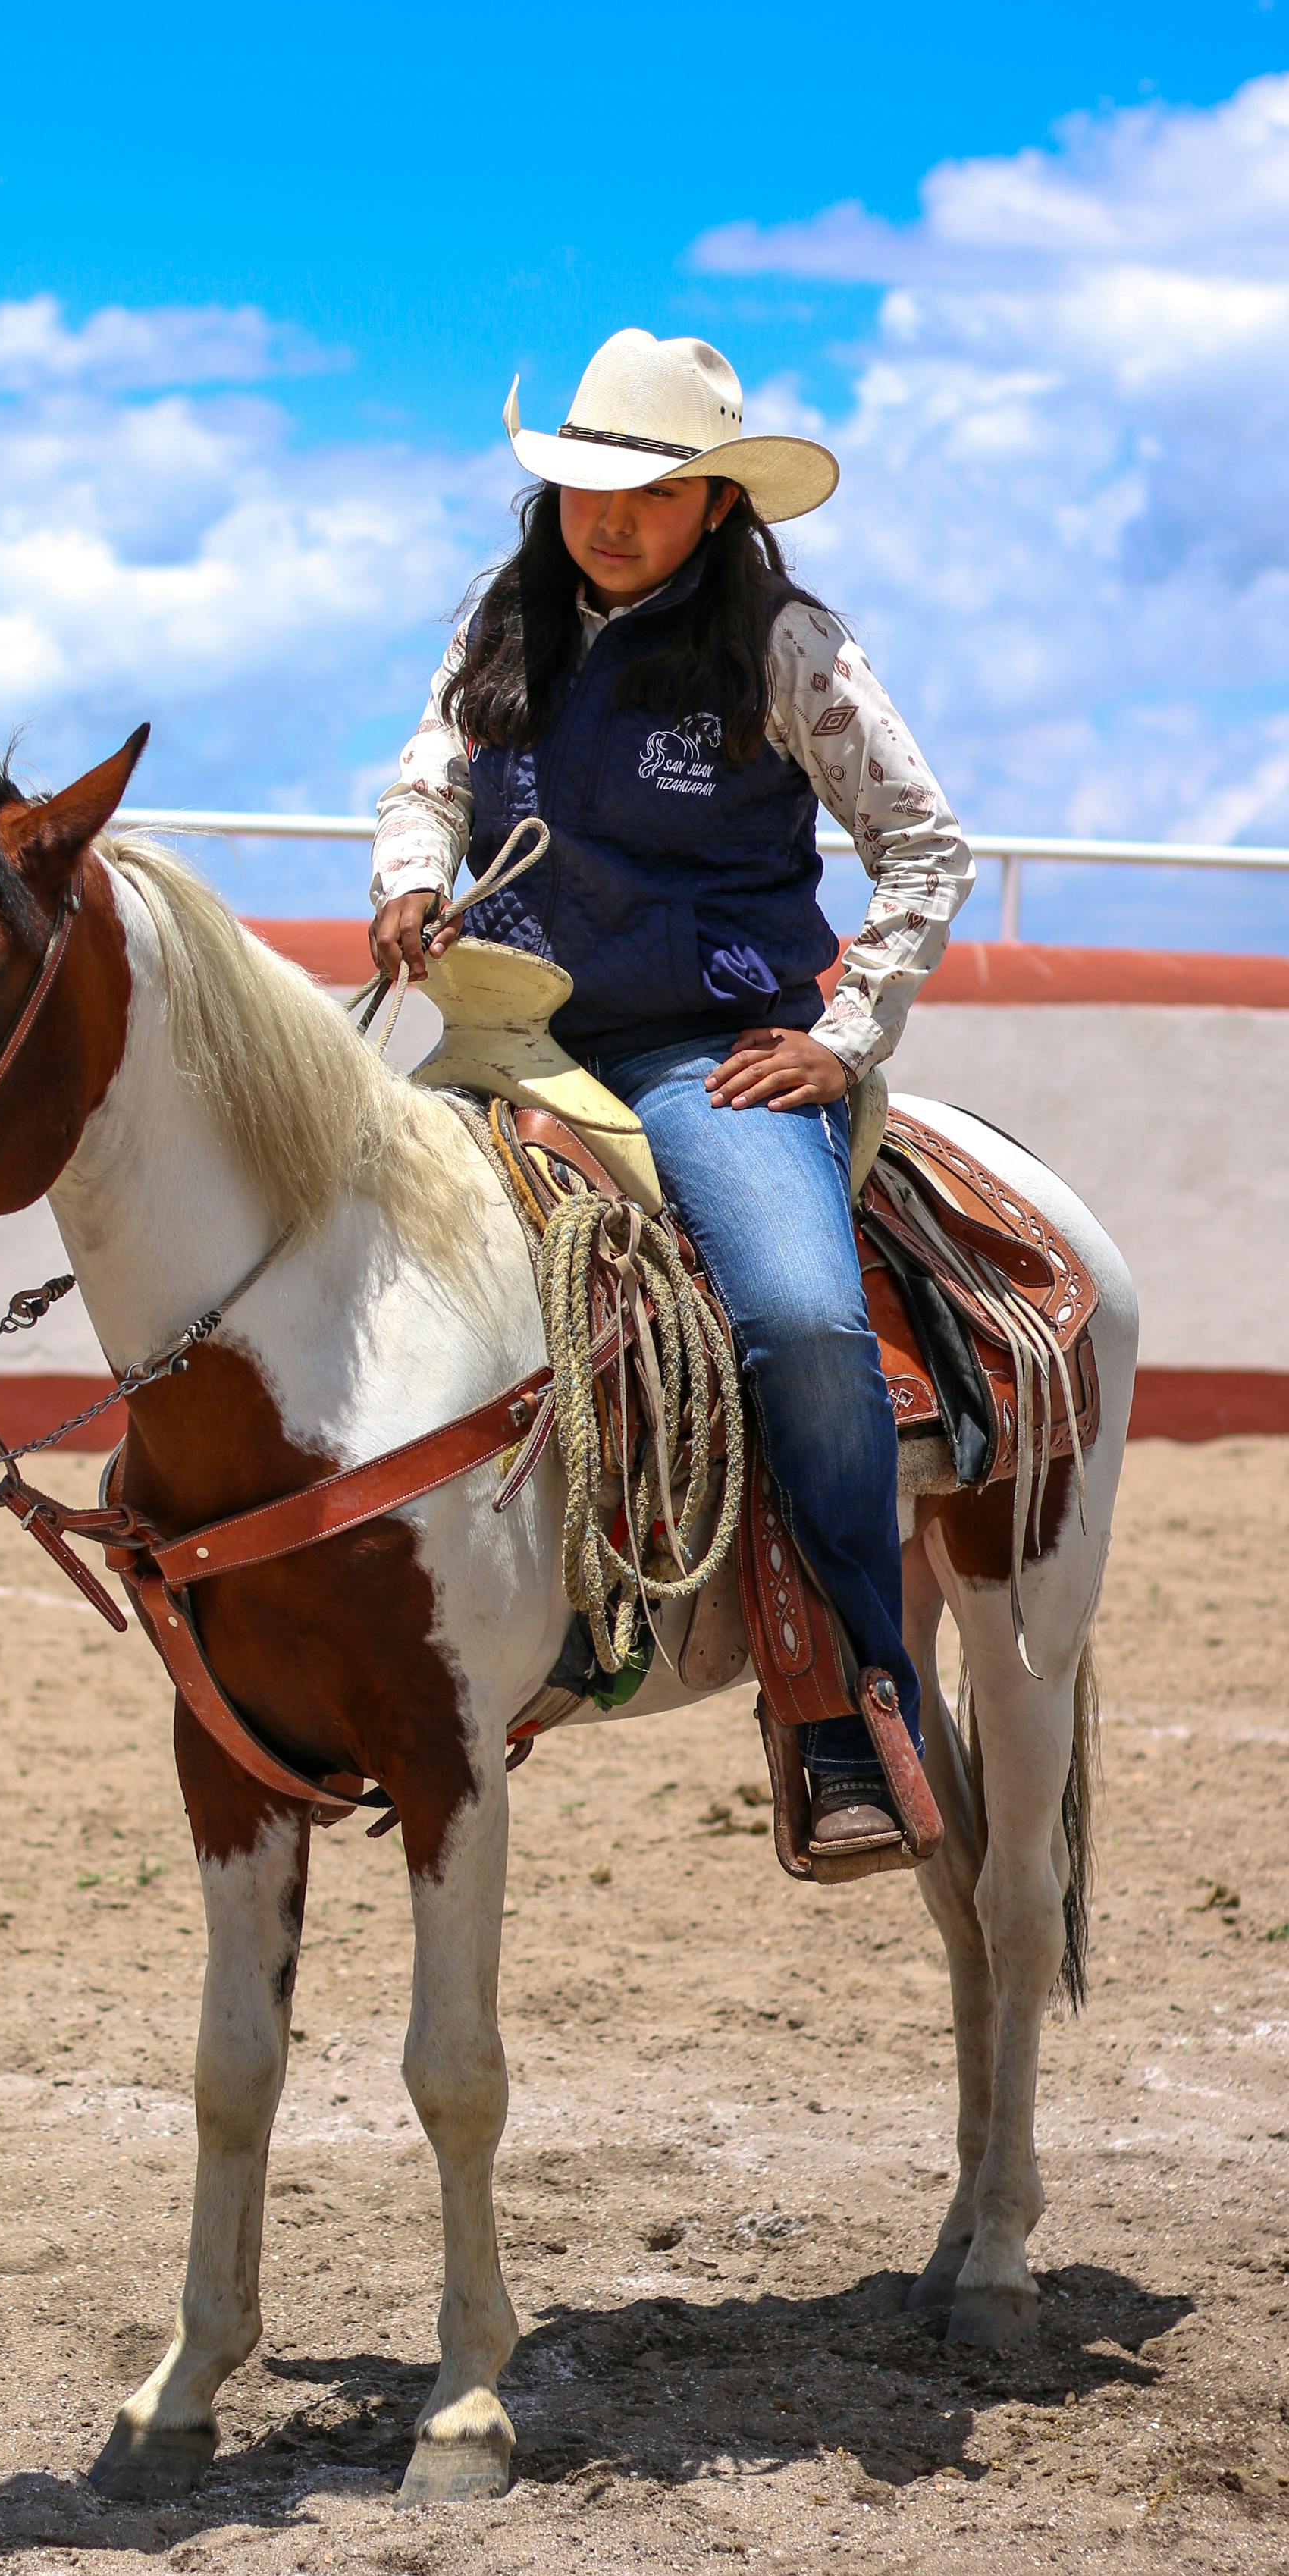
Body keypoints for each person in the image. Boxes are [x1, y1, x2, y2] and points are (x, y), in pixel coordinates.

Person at [369, 328, 974, 1852]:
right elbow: (428, 779)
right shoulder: (501, 619)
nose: (610, 519)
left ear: (714, 503)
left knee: (798, 1317)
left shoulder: (785, 647)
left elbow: (925, 845)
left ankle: (849, 1699)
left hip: (708, 1058)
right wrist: (403, 879)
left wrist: (841, 1036)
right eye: (587, 487)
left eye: (648, 493)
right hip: (508, 1031)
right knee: (334, 1240)